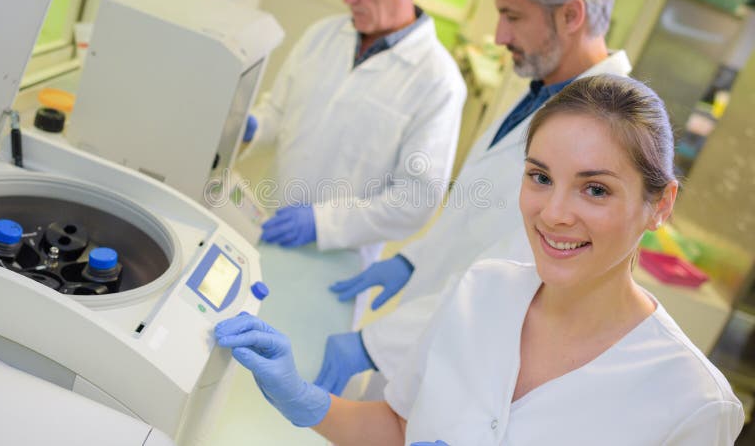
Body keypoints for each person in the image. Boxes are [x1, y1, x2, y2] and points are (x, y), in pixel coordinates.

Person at [216, 75, 744, 444]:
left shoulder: (693, 403)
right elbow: (399, 429)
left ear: (660, 205)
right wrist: (305, 400)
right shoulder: (480, 291)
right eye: (540, 177)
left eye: (596, 190)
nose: (554, 213)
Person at [315, 0, 634, 396]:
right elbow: (480, 213)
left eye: (512, 16)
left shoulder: (602, 136)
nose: (499, 34)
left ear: (571, 15)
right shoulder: (544, 93)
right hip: (433, 327)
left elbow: (514, 273)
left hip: (470, 357)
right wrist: (411, 259)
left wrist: (373, 343)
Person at [241, 0, 466, 265]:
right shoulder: (322, 35)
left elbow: (417, 197)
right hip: (268, 224)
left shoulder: (438, 80)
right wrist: (250, 126)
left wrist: (322, 222)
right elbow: (278, 113)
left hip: (338, 256)